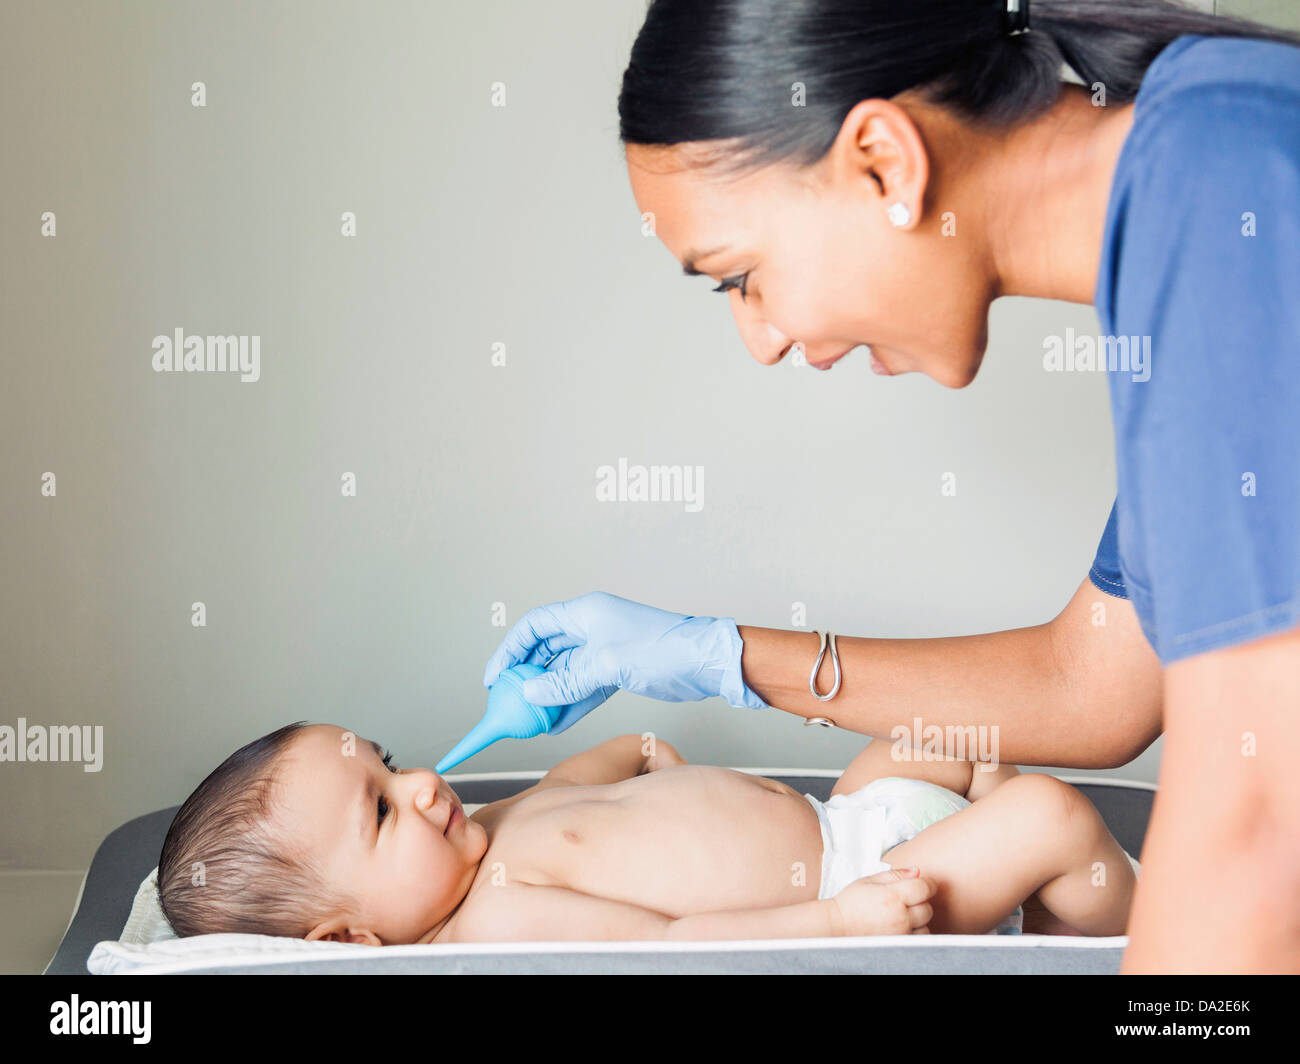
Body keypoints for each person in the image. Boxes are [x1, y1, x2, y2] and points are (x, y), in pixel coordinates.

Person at [484, 1, 1300, 973]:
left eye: (739, 277)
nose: (764, 339)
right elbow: (1091, 685)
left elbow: (1256, 825)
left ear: (884, 161)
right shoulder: (1193, 181)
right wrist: (720, 655)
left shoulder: (1224, 193)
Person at [156, 721, 1135, 943]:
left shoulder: (473, 840)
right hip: (877, 880)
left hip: (847, 812)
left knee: (931, 736)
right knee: (1051, 814)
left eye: (386, 759)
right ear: (346, 937)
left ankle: (1022, 863)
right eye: (378, 807)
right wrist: (837, 921)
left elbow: (558, 787)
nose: (417, 784)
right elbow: (673, 947)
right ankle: (1115, 930)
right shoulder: (495, 923)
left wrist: (618, 754)